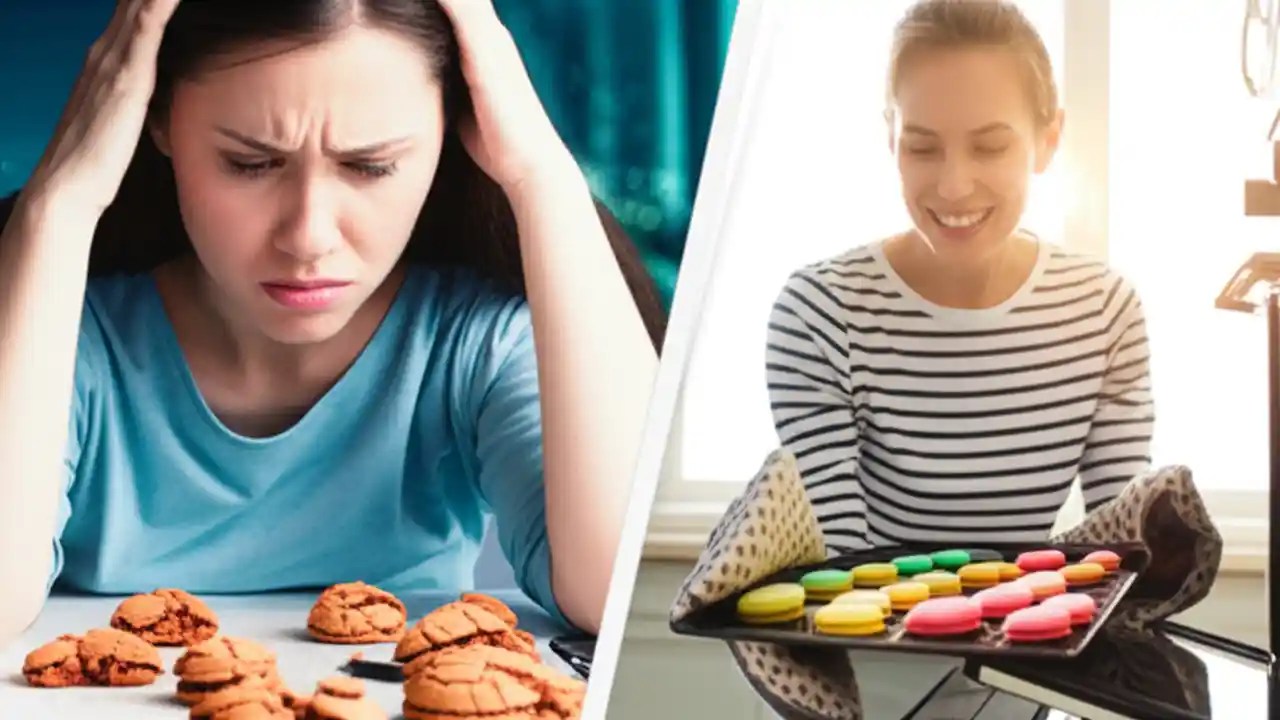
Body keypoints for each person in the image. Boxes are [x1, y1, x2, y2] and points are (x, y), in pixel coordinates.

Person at [0, 0, 663, 646]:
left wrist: (542, 176)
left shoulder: (477, 343)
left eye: (371, 166)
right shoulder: (60, 331)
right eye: (251, 164)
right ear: (155, 119)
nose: (309, 237)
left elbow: (619, 590)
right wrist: (59, 204)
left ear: (454, 132)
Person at [765, 0, 1154, 552]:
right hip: (868, 607)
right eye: (922, 147)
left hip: (1038, 609)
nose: (954, 186)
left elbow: (1124, 550)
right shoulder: (822, 314)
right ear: (891, 137)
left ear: (1048, 140)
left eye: (990, 147)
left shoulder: (1104, 310)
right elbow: (837, 564)